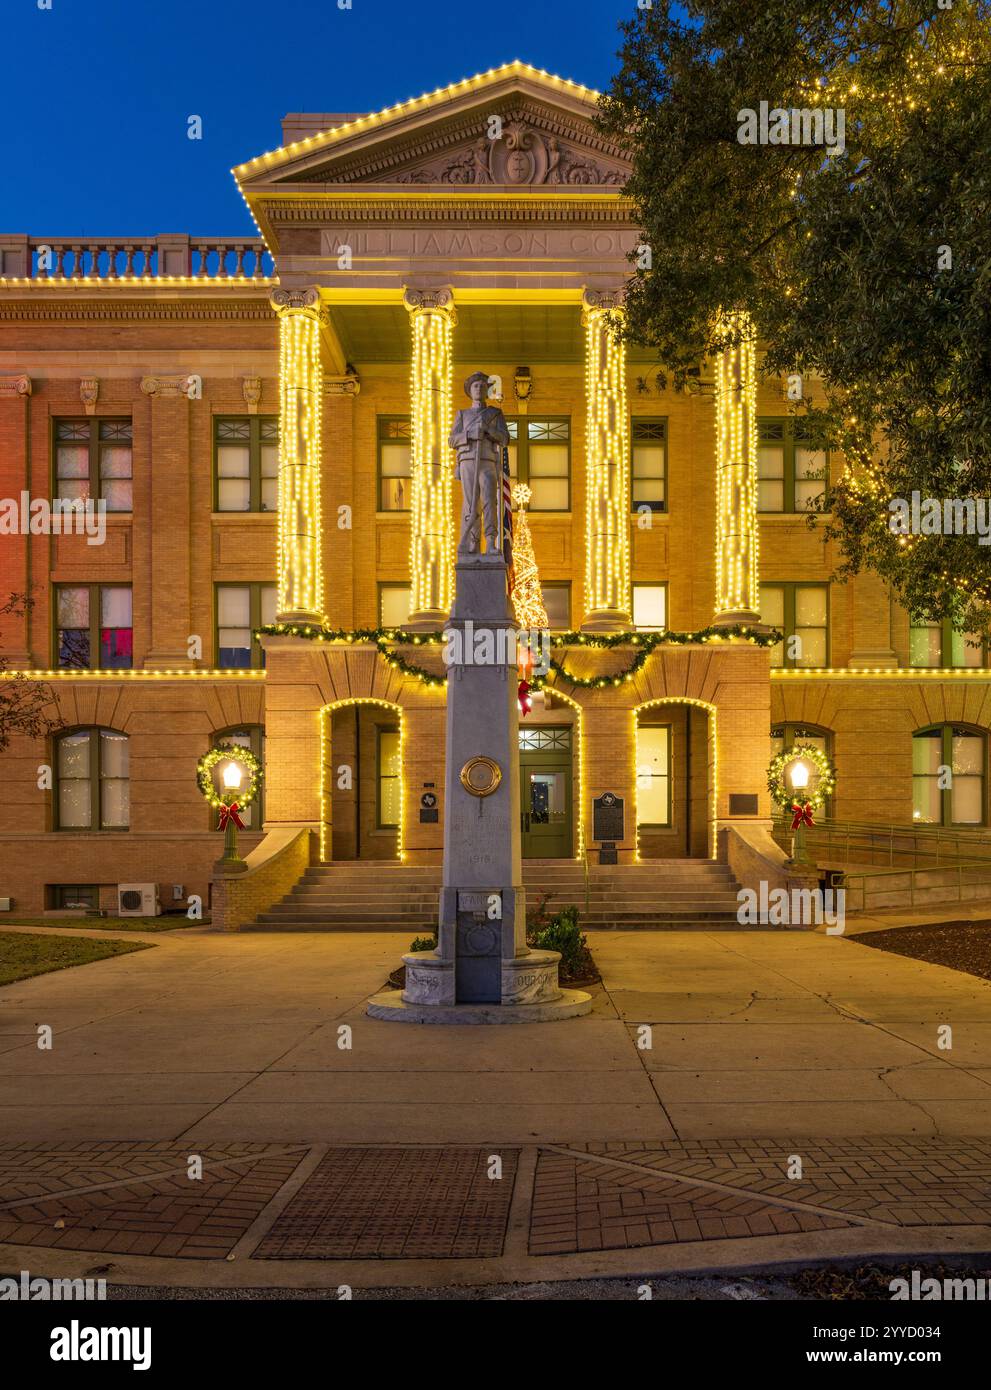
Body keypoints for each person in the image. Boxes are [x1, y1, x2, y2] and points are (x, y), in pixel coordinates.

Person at [449, 371, 510, 556]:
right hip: (468, 461)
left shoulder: (494, 414)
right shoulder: (462, 414)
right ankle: (472, 544)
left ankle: (491, 541)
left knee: (489, 502)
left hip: (487, 461)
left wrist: (489, 431)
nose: (479, 388)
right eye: (475, 386)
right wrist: (468, 435)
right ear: (470, 390)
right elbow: (452, 440)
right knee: (470, 503)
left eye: (483, 386)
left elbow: (505, 439)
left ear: (487, 390)